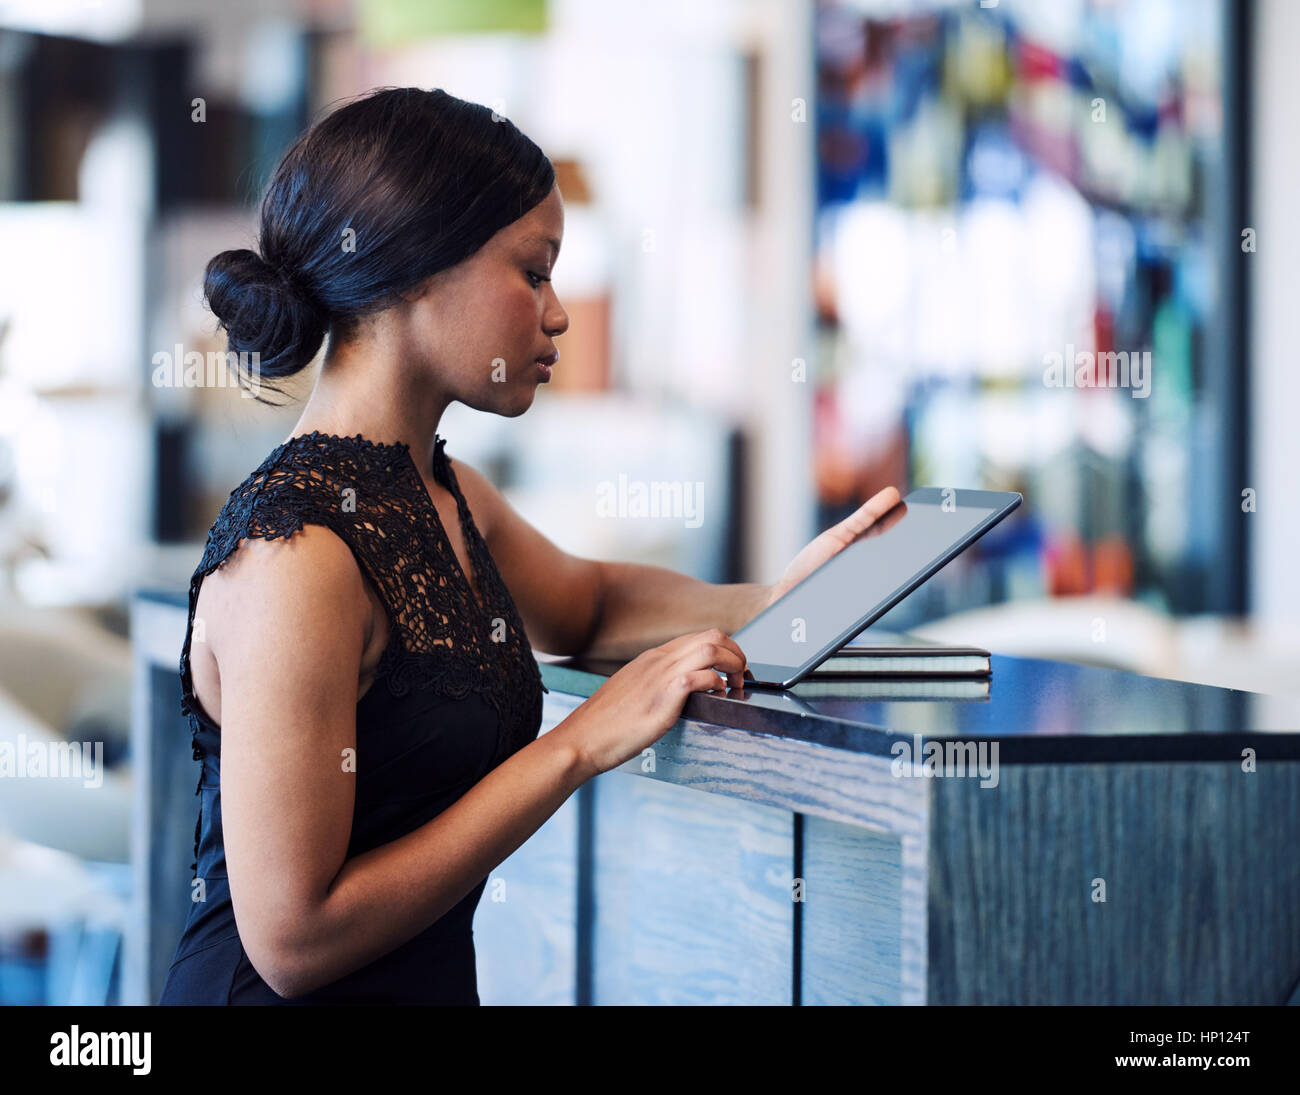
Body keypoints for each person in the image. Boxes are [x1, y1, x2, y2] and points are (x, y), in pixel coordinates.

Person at [157, 86, 899, 1005]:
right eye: (533, 271)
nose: (559, 314)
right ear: (415, 272)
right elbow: (295, 940)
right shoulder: (297, 553)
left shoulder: (445, 493)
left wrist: (787, 596)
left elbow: (591, 604)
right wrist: (580, 743)